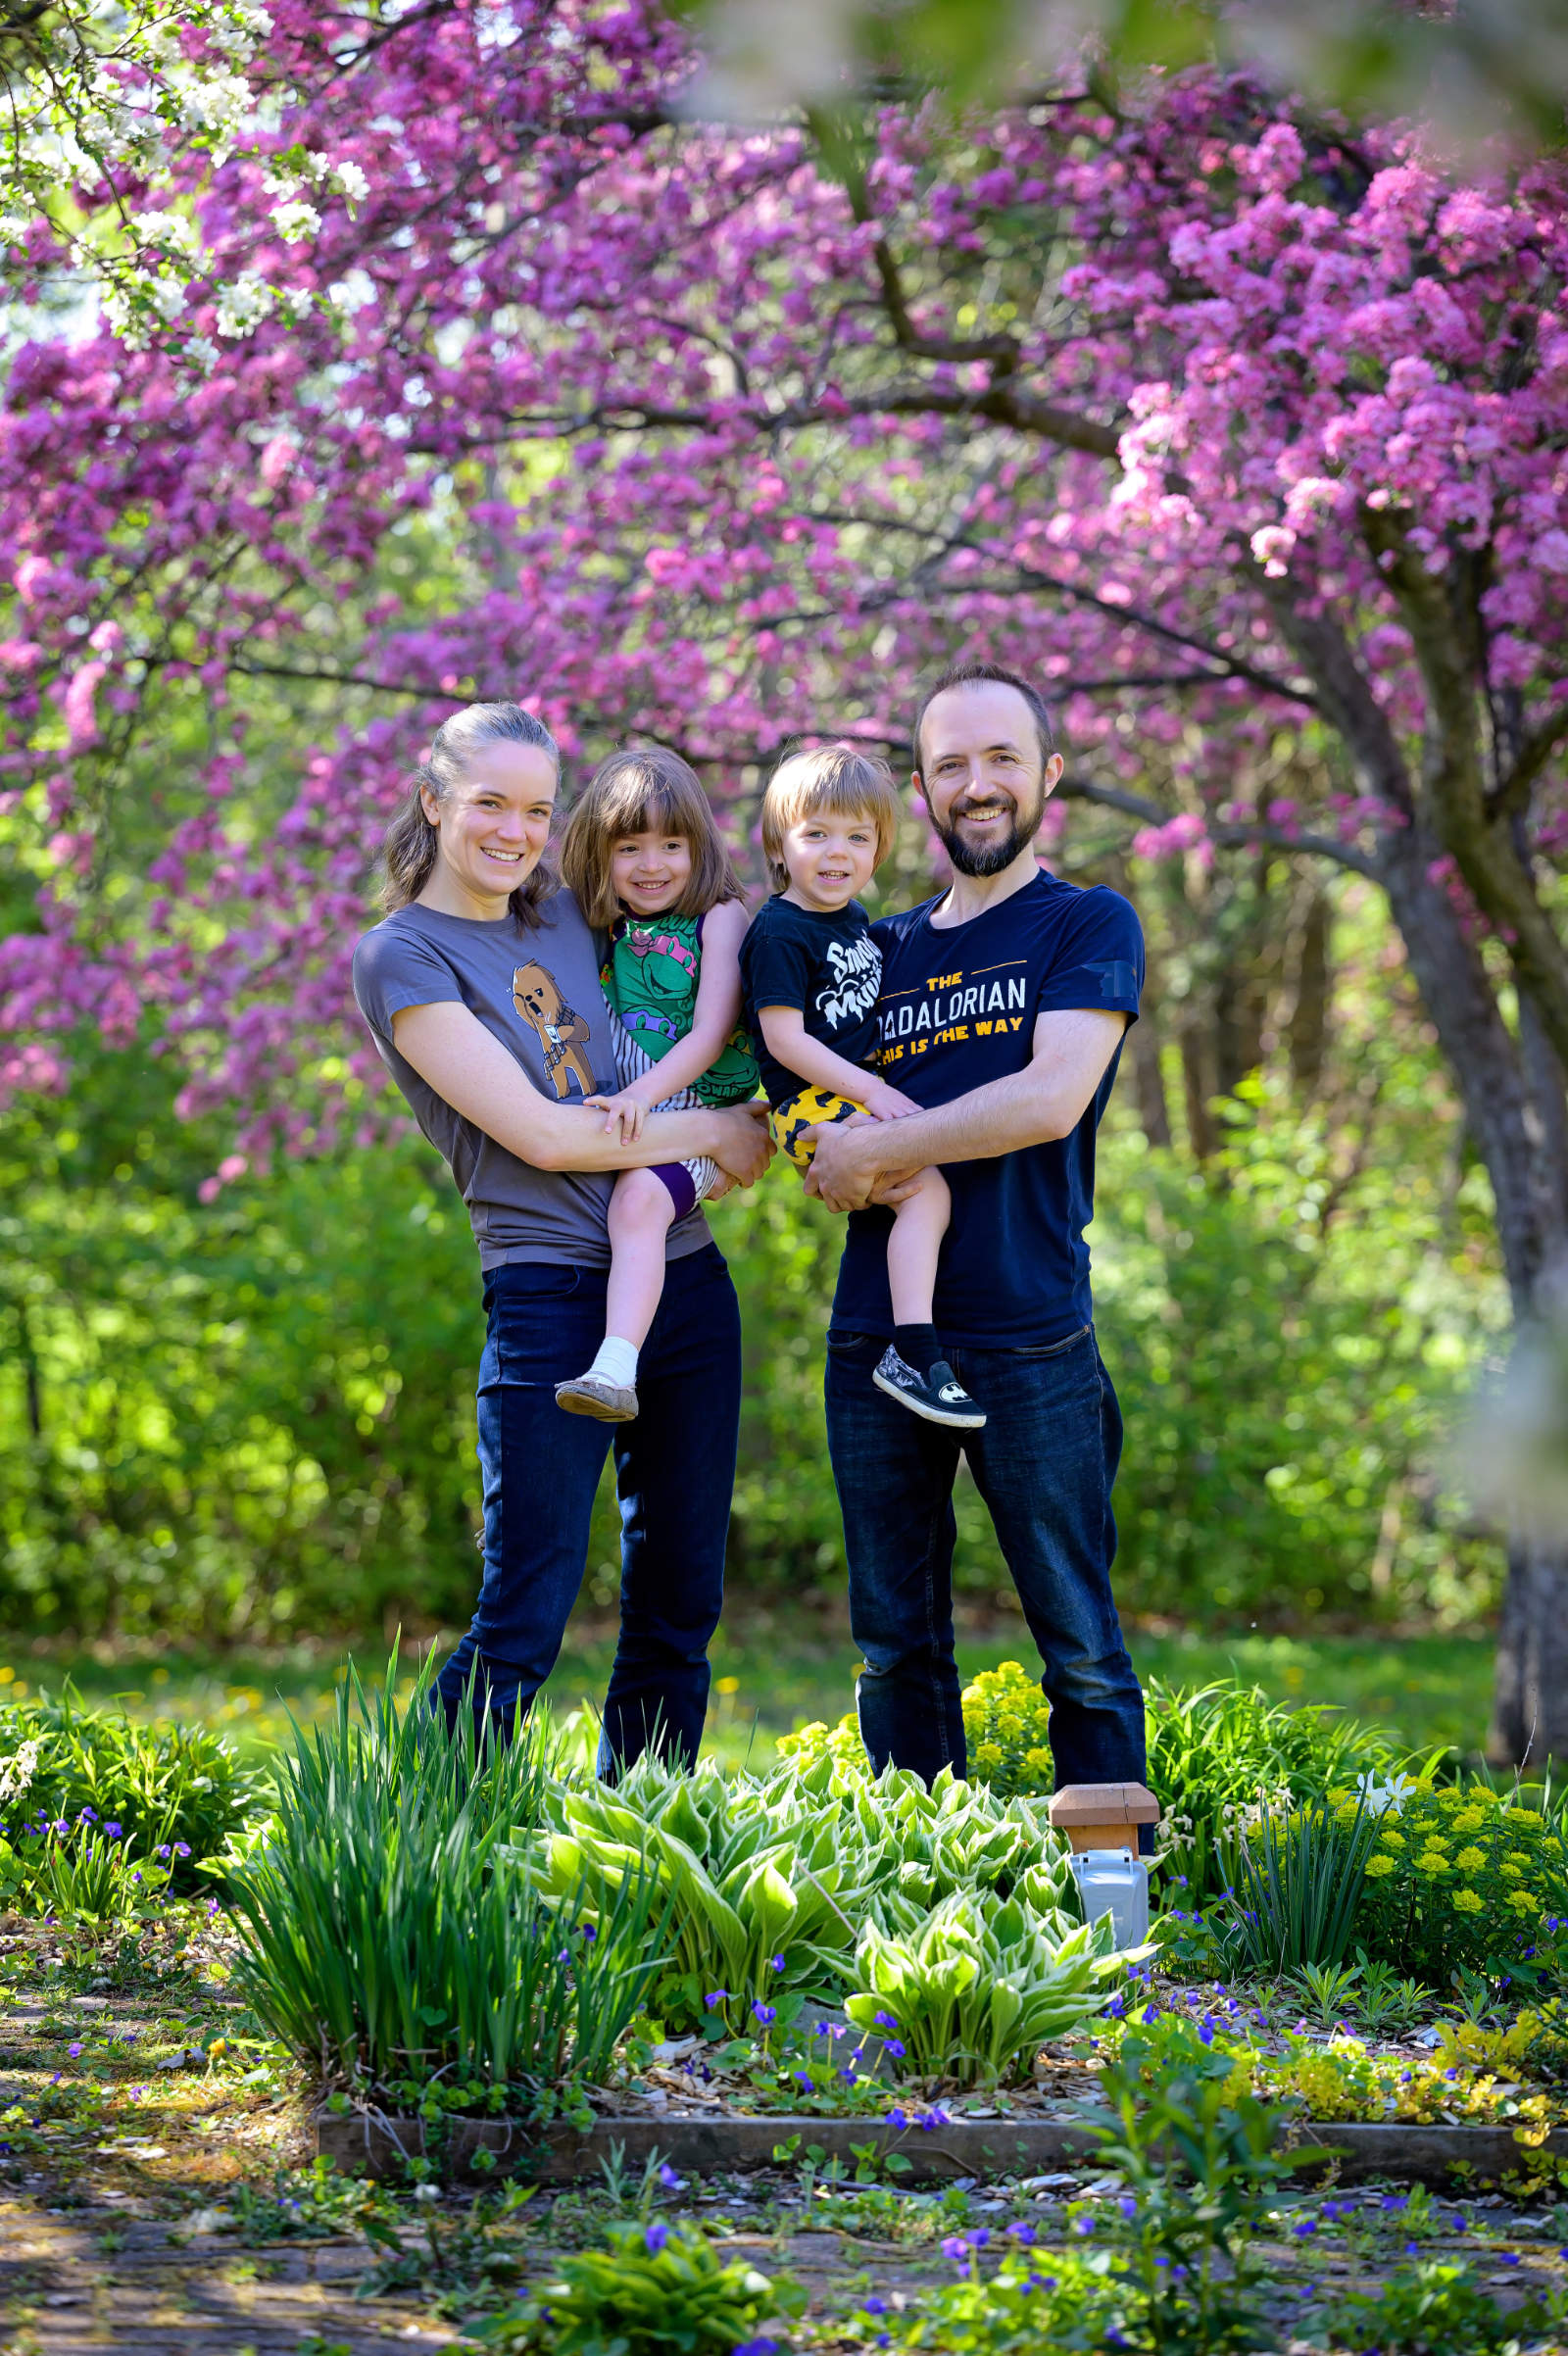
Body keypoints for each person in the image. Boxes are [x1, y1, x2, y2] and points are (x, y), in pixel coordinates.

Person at [350, 701, 772, 1768]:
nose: (512, 831)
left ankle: (641, 1836)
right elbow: (542, 1134)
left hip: (683, 1285)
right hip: (546, 1296)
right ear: (433, 799)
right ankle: (420, 1845)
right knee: (524, 1610)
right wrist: (720, 1129)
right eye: (489, 802)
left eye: (536, 809)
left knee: (678, 1606)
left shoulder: (569, 915)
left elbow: (681, 957)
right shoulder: (403, 956)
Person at [803, 662, 1149, 1795]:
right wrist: (814, 1147)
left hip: (1028, 1332)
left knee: (1080, 1648)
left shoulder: (1086, 922)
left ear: (1047, 773)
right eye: (951, 763)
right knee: (894, 1646)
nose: (978, 783)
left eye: (1002, 757)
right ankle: (928, 1898)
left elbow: (1048, 1099)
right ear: (921, 787)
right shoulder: (877, 951)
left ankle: (1114, 1921)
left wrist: (882, 1149)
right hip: (876, 1344)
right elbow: (801, 1088)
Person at [741, 745, 984, 1430]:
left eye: (858, 837)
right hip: (814, 1106)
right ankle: (914, 1350)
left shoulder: (851, 921)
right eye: (816, 834)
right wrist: (873, 1092)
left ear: (879, 850)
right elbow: (785, 1040)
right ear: (780, 848)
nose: (837, 853)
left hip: (845, 1095)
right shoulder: (780, 932)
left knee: (924, 1197)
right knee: (929, 1190)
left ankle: (915, 1345)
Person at [552, 745, 760, 1423]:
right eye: (630, 847)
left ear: (700, 847)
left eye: (672, 845)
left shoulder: (719, 917)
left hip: (691, 1108)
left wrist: (642, 1099)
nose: (652, 866)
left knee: (639, 1201)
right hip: (633, 1115)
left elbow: (708, 1033)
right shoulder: (603, 925)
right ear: (601, 852)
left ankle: (616, 1367)